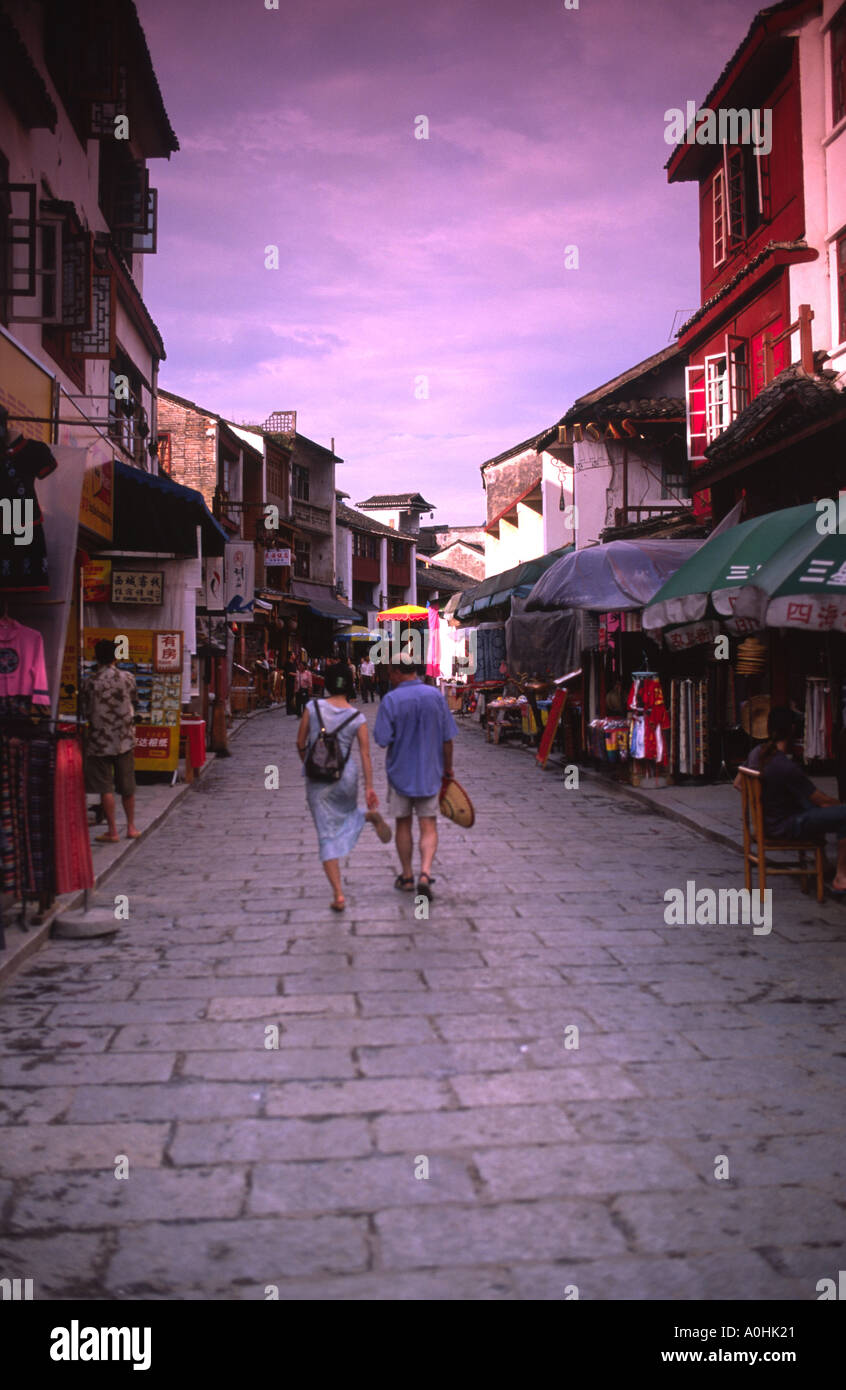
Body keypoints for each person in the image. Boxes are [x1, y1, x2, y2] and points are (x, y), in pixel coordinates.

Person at [297, 662, 392, 911]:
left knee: (326, 832)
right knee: (344, 813)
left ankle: (338, 894)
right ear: (350, 685)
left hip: (319, 778)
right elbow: (365, 755)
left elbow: (300, 742)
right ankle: (364, 815)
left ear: (327, 683)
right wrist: (369, 788)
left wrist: (309, 761)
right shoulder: (356, 717)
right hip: (346, 778)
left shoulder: (312, 707)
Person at [373, 654, 458, 900]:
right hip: (431, 772)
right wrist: (448, 770)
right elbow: (448, 739)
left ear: (399, 672)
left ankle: (408, 876)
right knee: (428, 823)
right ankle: (425, 873)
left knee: (403, 824)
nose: (389, 677)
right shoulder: (435, 696)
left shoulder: (391, 699)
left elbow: (382, 739)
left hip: (400, 773)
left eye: (390, 672)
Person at [735, 705, 846, 892]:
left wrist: (760, 801)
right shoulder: (785, 766)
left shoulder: (757, 752)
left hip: (768, 822)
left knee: (804, 801)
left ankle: (825, 863)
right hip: (784, 826)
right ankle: (842, 876)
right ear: (793, 730)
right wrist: (840, 805)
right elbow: (823, 801)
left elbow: (738, 783)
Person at [81, 638, 140, 843]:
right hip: (124, 739)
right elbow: (134, 702)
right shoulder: (128, 678)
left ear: (95, 657)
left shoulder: (89, 681)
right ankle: (131, 827)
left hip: (99, 741)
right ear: (116, 656)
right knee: (127, 786)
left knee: (105, 787)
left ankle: (113, 830)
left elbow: (85, 710)